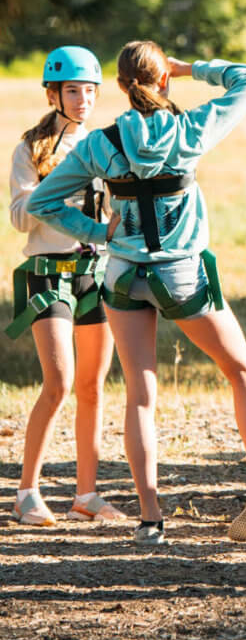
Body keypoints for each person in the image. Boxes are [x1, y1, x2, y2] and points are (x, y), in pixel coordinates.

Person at [27, 42, 246, 546]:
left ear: (119, 87)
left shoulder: (101, 143)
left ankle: (150, 517)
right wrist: (190, 69)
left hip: (122, 277)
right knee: (241, 369)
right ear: (164, 81)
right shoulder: (191, 129)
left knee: (141, 393)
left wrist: (98, 232)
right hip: (181, 273)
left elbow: (43, 200)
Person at [8, 47, 126, 526]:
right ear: (53, 93)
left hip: (95, 274)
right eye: (73, 90)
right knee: (57, 383)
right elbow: (19, 218)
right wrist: (59, 185)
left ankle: (86, 495)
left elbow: (119, 212)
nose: (83, 99)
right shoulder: (29, 149)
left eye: (91, 90)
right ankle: (26, 492)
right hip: (47, 274)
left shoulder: (105, 145)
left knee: (93, 387)